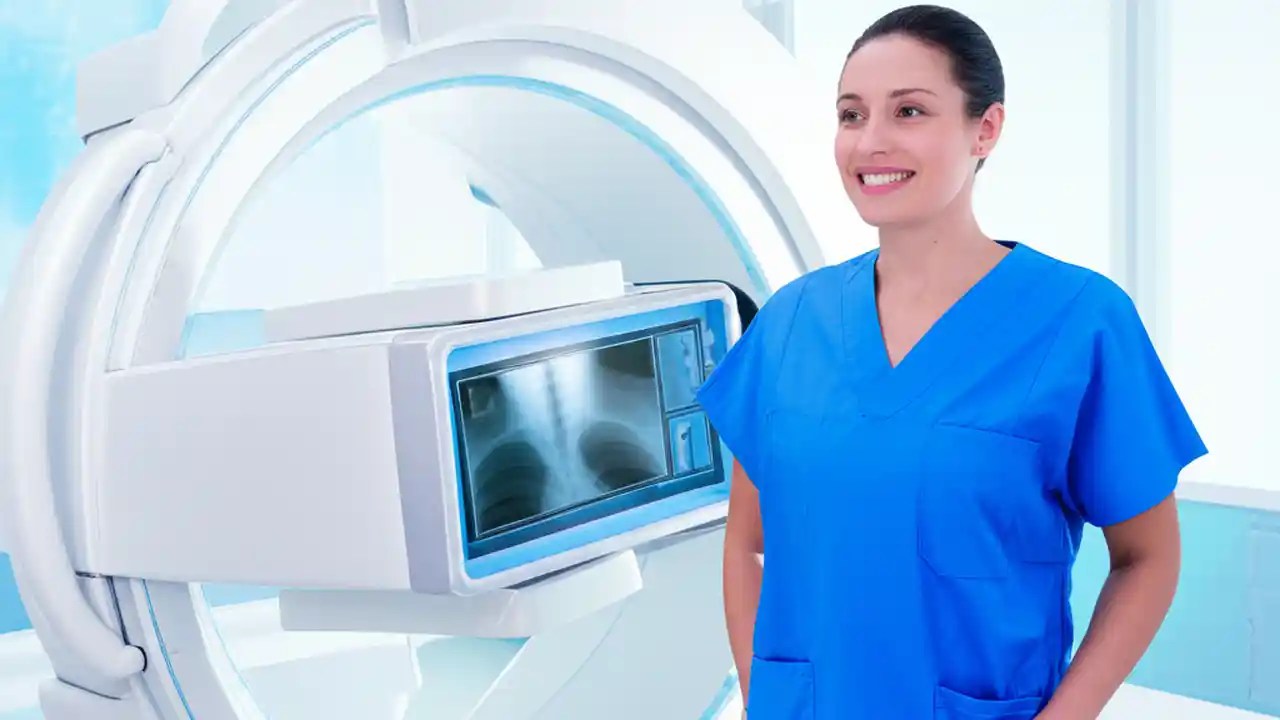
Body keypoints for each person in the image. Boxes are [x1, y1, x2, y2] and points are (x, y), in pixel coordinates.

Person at [695, 4, 1208, 719]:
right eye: (851, 115)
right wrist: (764, 700)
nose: (870, 141)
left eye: (908, 111)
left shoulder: (1080, 321)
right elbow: (747, 547)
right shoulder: (790, 322)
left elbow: (1146, 559)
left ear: (985, 128)